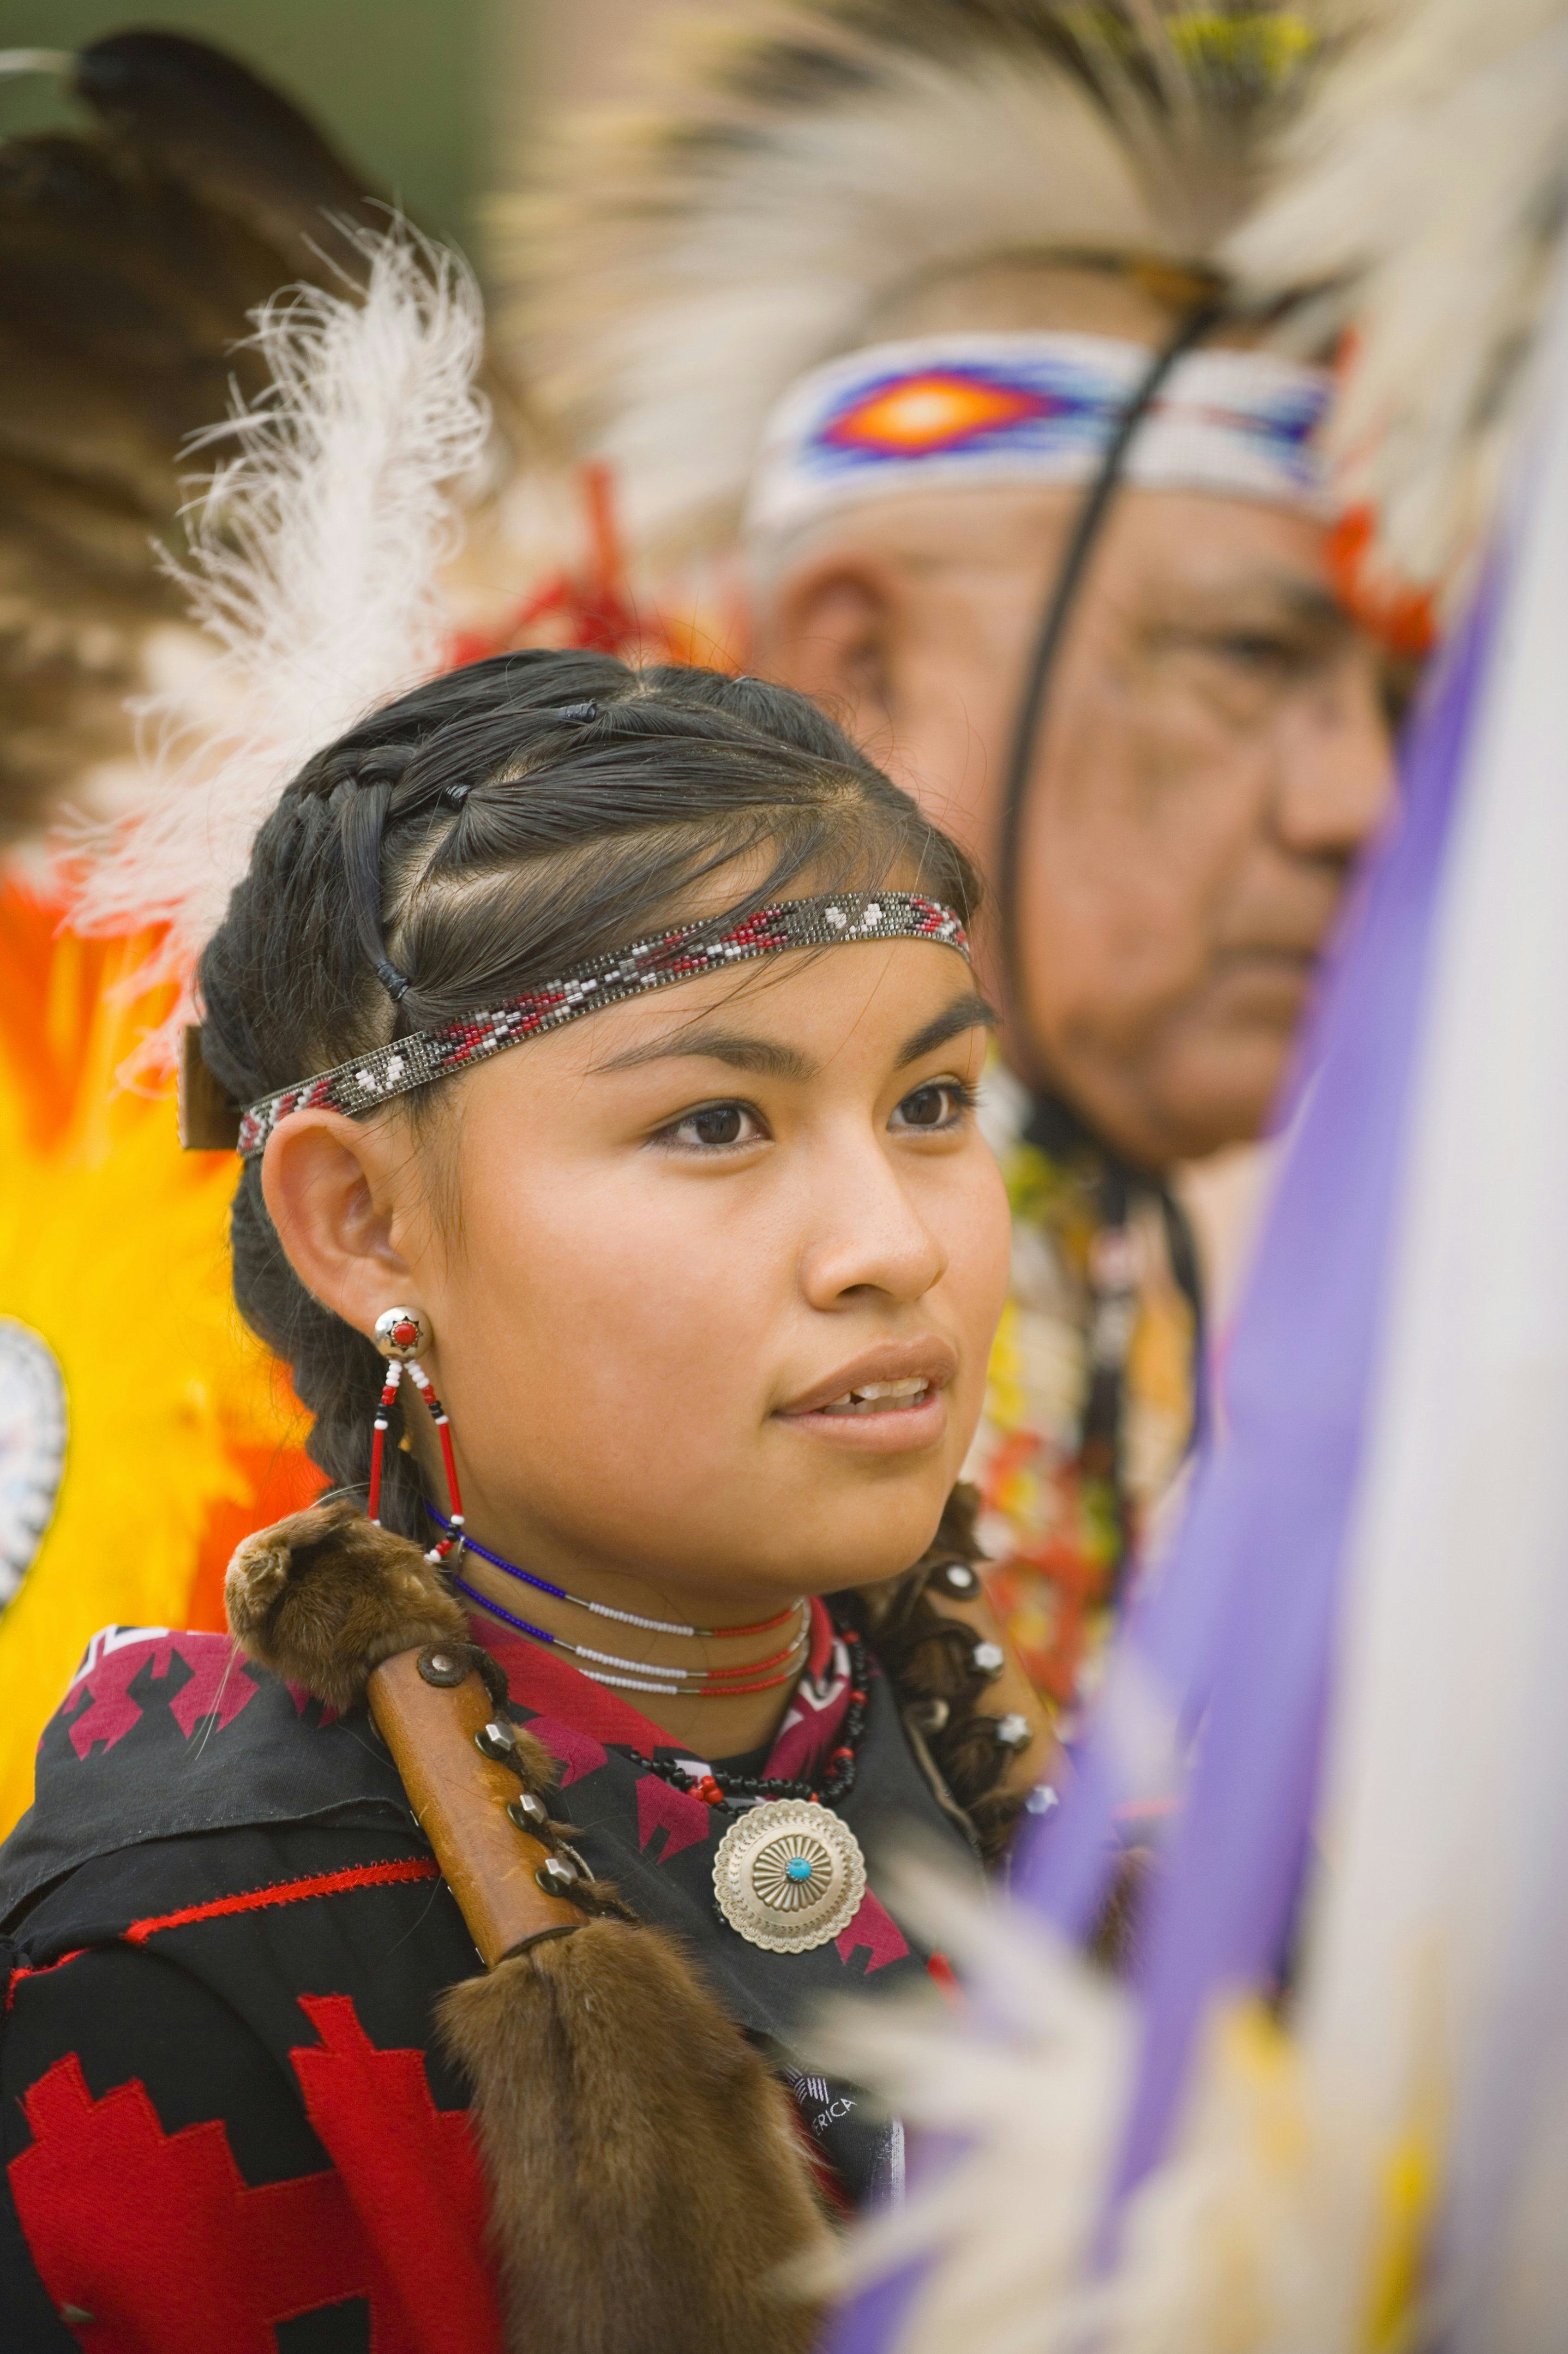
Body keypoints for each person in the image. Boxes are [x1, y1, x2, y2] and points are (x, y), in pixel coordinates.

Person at [0, 648, 1039, 2353]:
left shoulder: (1071, 1808)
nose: (896, 1242)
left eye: (932, 1104)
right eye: (718, 1121)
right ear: (366, 1224)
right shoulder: (182, 1969)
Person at [508, 0, 1403, 1722]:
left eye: (1393, 702)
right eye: (1247, 657)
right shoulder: (494, 1353)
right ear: (861, 667)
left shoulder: (1114, 1288)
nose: (1357, 800)